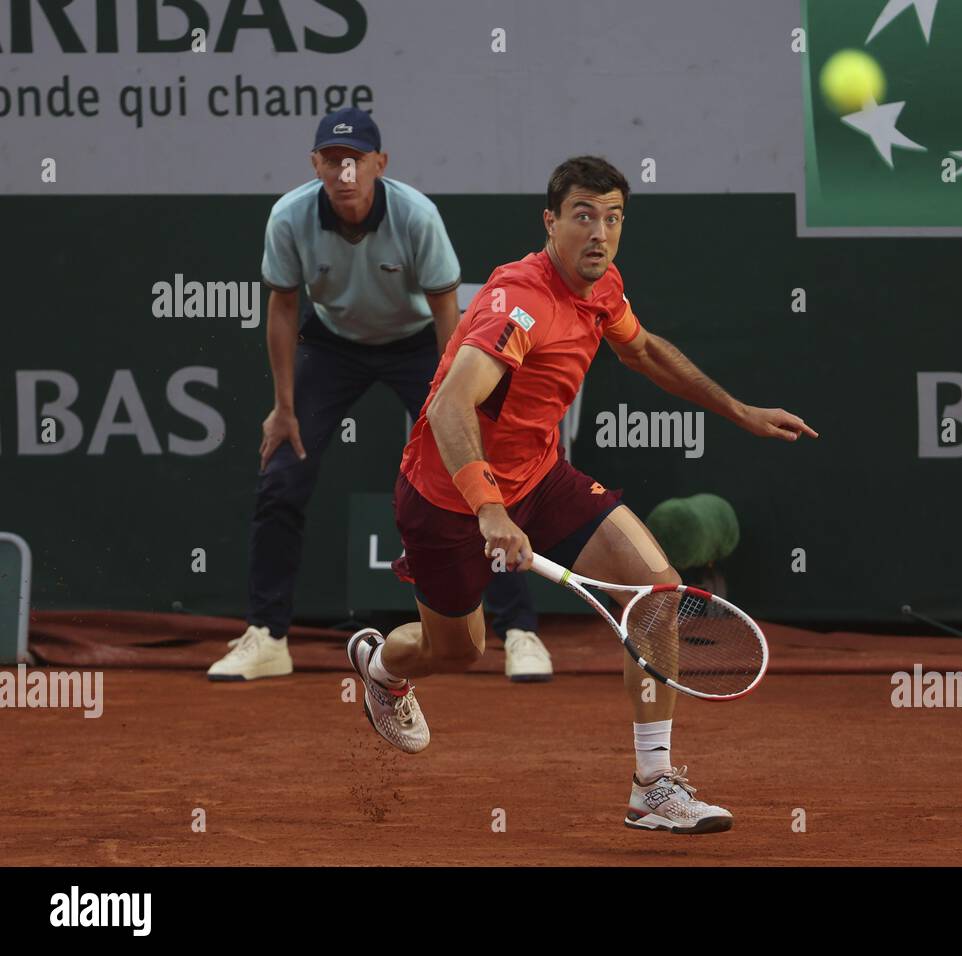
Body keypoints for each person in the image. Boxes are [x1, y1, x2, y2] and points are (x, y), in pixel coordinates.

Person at [345, 156, 817, 832]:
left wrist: (738, 410)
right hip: (447, 497)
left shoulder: (602, 287)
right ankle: (382, 668)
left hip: (541, 476)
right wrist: (489, 509)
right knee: (458, 651)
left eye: (613, 218)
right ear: (551, 222)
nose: (600, 233)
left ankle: (653, 786)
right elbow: (450, 406)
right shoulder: (520, 302)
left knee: (657, 593)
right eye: (584, 216)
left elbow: (643, 351)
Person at [207, 108, 552, 684]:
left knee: (472, 473)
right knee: (282, 475)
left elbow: (447, 313)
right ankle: (267, 636)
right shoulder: (289, 217)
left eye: (356, 160)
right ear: (315, 165)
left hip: (419, 345)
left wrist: (455, 404)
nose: (344, 173)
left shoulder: (416, 216)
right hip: (331, 345)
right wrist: (284, 408)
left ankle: (519, 631)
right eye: (332, 160)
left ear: (379, 164)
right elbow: (283, 308)